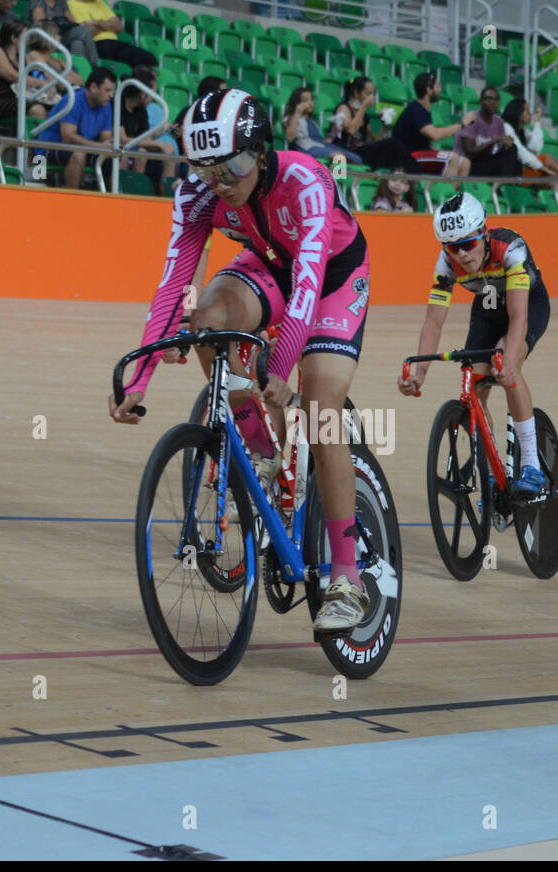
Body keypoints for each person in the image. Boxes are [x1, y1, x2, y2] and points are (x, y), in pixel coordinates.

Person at [110, 89, 374, 637]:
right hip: (271, 261)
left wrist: (282, 363)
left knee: (322, 414)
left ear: (259, 150)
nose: (221, 182)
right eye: (207, 169)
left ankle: (348, 579)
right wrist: (139, 378)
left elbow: (307, 286)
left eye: (231, 166)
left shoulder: (305, 180)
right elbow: (173, 289)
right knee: (205, 319)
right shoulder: (200, 196)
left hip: (331, 275)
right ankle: (260, 450)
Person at [398, 192, 551, 499]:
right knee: (476, 383)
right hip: (488, 306)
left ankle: (532, 466)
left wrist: (508, 361)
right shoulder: (446, 264)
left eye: (468, 244)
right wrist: (419, 373)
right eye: (452, 247)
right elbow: (434, 322)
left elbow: (518, 317)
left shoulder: (511, 249)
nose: (462, 255)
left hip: (527, 304)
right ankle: (492, 467)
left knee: (507, 367)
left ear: (484, 232)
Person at [499, 97, 558, 207]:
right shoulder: (506, 127)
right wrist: (544, 169)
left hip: (525, 174)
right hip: (512, 172)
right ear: (518, 113)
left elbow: (537, 146)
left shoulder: (524, 131)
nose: (530, 114)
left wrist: (538, 121)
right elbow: (521, 153)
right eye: (527, 111)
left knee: (556, 181)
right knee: (548, 158)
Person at [36, 66, 115, 188]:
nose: (111, 95)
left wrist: (109, 145)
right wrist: (99, 146)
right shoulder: (73, 100)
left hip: (83, 147)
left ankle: (114, 201)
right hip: (47, 150)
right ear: (94, 87)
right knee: (78, 154)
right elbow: (68, 138)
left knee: (115, 157)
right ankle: (72, 201)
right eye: (107, 90)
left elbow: (105, 138)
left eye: (112, 91)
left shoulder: (105, 104)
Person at [331, 75, 421, 175]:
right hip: (345, 151)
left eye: (373, 94)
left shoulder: (365, 116)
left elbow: (372, 144)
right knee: (393, 144)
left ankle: (411, 176)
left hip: (361, 152)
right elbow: (350, 131)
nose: (372, 97)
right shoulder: (344, 108)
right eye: (368, 94)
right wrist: (364, 107)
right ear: (356, 93)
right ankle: (402, 176)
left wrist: (384, 127)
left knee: (395, 148)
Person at [388, 72, 475, 176]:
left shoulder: (423, 110)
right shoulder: (415, 109)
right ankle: (448, 191)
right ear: (429, 89)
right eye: (438, 86)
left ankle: (453, 191)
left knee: (465, 163)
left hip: (417, 155)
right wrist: (461, 124)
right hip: (406, 157)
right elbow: (434, 135)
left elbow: (421, 142)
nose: (440, 89)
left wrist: (436, 151)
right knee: (452, 158)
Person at [0, 21, 50, 124]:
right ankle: (36, 139)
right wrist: (42, 84)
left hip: (21, 97)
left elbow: (39, 74)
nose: (29, 39)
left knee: (55, 108)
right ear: (13, 38)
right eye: (26, 35)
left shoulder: (22, 57)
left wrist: (51, 84)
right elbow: (12, 76)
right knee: (37, 110)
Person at [122, 65, 176, 187]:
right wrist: (159, 144)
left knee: (170, 155)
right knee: (141, 153)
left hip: (135, 147)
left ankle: (167, 200)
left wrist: (161, 143)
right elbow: (122, 139)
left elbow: (145, 139)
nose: (153, 98)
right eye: (152, 94)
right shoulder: (120, 103)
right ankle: (132, 193)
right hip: (121, 148)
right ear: (143, 93)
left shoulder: (141, 110)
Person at [66, 0, 157, 69]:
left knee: (149, 59)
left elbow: (119, 26)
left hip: (115, 43)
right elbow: (85, 32)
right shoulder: (71, 4)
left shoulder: (100, 3)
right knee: (112, 68)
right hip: (96, 45)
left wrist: (97, 23)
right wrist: (108, 24)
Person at [456, 86, 521, 178]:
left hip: (485, 161)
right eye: (489, 99)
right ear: (480, 101)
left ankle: (507, 189)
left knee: (514, 155)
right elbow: (469, 152)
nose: (493, 102)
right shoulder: (472, 118)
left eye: (496, 99)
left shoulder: (499, 121)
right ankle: (501, 186)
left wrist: (505, 144)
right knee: (505, 165)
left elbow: (498, 149)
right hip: (468, 164)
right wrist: (494, 140)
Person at [283, 86, 357, 165]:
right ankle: (337, 176)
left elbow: (321, 141)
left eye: (311, 99)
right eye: (305, 100)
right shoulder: (291, 118)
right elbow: (290, 138)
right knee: (339, 156)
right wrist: (297, 113)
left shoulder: (312, 121)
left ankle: (345, 175)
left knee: (354, 158)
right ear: (296, 103)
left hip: (320, 146)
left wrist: (334, 131)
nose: (310, 103)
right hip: (305, 149)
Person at [30, 0, 98, 66]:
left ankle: (82, 71)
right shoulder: (37, 1)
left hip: (61, 35)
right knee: (84, 31)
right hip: (45, 38)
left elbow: (72, 22)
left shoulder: (61, 1)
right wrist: (57, 21)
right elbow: (42, 25)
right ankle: (93, 65)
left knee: (77, 44)